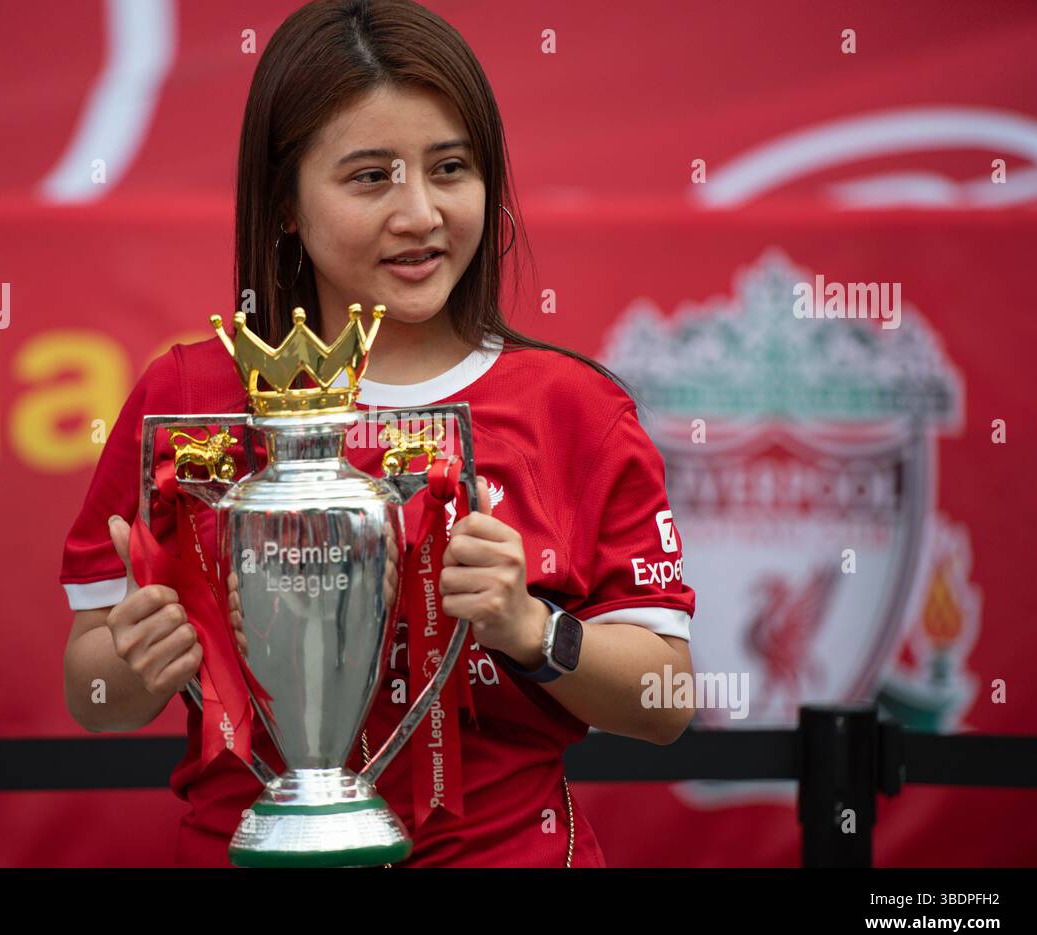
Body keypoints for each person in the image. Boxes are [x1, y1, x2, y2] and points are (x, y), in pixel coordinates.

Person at [59, 0, 696, 867]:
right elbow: (92, 691)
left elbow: (664, 702)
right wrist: (135, 665)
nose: (421, 214)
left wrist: (530, 627)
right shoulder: (186, 398)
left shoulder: (575, 409)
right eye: (371, 177)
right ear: (285, 202)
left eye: (450, 168)